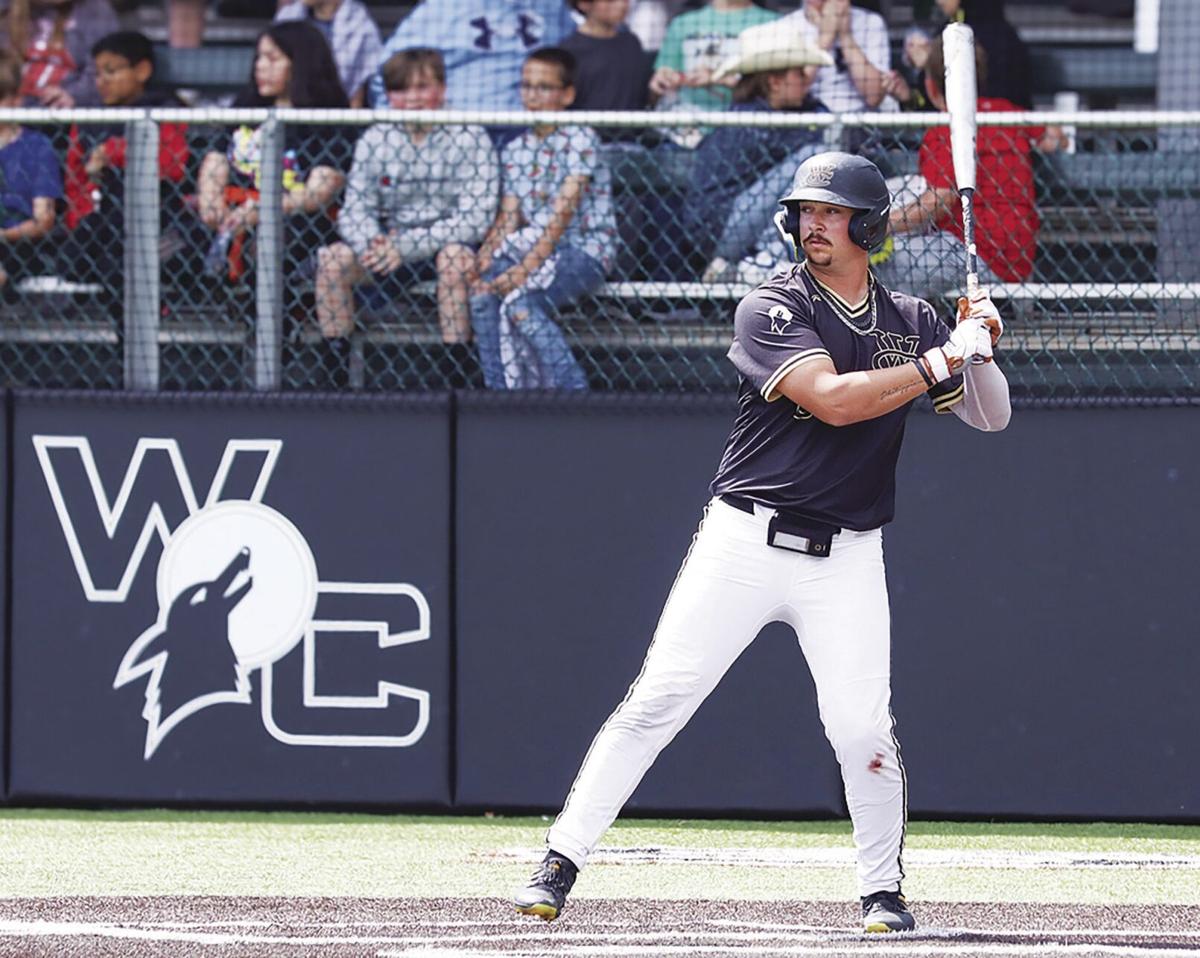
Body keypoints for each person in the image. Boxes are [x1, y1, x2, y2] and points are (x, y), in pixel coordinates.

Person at [510, 151, 1011, 933]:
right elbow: (836, 402)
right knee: (659, 698)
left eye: (831, 212)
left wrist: (979, 342)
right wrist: (945, 355)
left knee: (862, 730)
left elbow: (989, 415)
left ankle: (883, 892)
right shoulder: (772, 306)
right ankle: (560, 859)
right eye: (806, 211)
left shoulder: (911, 318)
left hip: (846, 553)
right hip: (744, 539)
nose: (813, 224)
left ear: (869, 225)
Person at [315, 48, 498, 387]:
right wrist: (373, 243)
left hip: (447, 245)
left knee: (455, 260)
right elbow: (355, 209)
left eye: (422, 87)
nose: (412, 99)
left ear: (442, 89)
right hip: (386, 249)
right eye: (401, 90)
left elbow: (476, 216)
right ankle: (335, 378)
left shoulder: (471, 135)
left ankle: (456, 377)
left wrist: (407, 246)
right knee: (332, 260)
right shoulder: (374, 137)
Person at [468, 47, 617, 390]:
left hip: (583, 250)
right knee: (480, 296)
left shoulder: (581, 138)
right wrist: (483, 260)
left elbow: (562, 216)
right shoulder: (515, 149)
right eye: (527, 85)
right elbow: (509, 217)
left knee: (521, 305)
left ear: (567, 95)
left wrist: (522, 271)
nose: (532, 95)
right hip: (533, 252)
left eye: (544, 87)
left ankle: (575, 395)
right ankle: (500, 394)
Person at [878, 35, 1041, 298]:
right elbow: (1055, 137)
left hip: (974, 252)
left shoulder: (945, 128)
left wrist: (878, 225)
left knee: (875, 265)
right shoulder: (1006, 112)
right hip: (1018, 257)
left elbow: (939, 200)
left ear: (931, 87)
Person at [679, 22, 830, 279]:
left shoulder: (797, 111)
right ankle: (765, 259)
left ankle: (757, 263)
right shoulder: (749, 117)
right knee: (813, 157)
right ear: (774, 81)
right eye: (798, 74)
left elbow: (836, 130)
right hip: (721, 228)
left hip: (751, 218)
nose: (807, 80)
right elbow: (826, 137)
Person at [60, 30, 188, 288]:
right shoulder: (89, 119)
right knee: (73, 259)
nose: (102, 81)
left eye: (111, 71)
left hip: (158, 217)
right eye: (97, 73)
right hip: (101, 223)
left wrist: (114, 153)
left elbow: (173, 166)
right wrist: (83, 216)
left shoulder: (166, 110)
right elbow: (75, 180)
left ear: (141, 71)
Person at [368, 0, 577, 113]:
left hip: (531, 134)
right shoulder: (440, 8)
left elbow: (577, 56)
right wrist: (398, 124)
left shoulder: (551, 6)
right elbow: (386, 73)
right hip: (460, 133)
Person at [649, 0, 778, 139]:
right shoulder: (682, 23)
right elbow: (656, 90)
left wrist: (718, 78)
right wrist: (665, 82)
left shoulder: (772, 23)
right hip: (685, 135)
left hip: (747, 132)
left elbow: (777, 89)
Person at [0, 48, 61, 293]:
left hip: (18, 242)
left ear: (16, 99)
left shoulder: (37, 147)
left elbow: (43, 219)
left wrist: (4, 234)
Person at [778, 0, 891, 114]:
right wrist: (824, 39)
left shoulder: (871, 22)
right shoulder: (786, 26)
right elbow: (787, 95)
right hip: (807, 117)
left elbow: (874, 98)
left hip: (860, 119)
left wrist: (846, 36)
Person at [0, 0, 119, 108]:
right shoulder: (5, 9)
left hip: (62, 114)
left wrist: (73, 95)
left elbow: (101, 72)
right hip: (9, 108)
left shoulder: (96, 12)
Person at [274, 0, 383, 107]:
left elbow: (359, 94)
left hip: (339, 116)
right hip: (289, 109)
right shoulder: (286, 17)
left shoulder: (362, 27)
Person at [562, 0, 652, 115]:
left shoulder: (632, 43)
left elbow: (643, 96)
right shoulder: (569, 51)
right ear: (584, 3)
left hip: (635, 131)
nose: (621, 5)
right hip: (585, 130)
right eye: (610, 1)